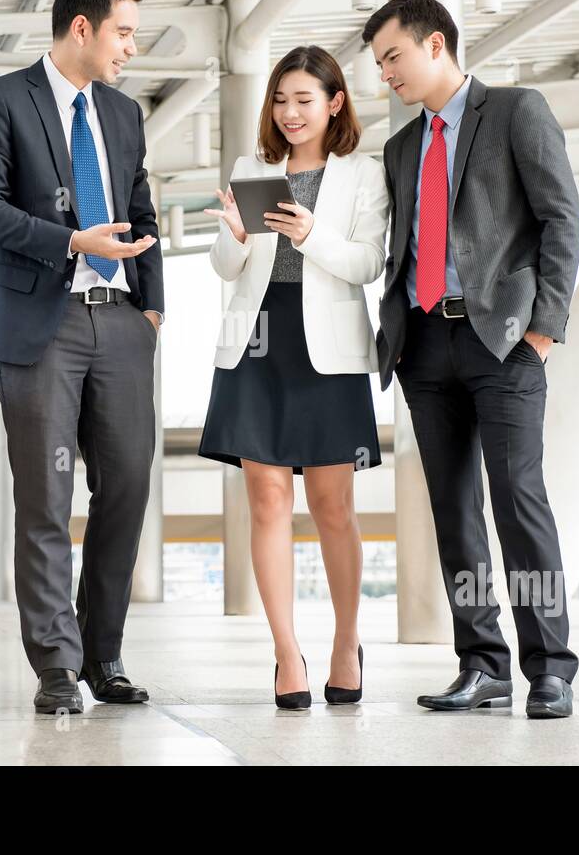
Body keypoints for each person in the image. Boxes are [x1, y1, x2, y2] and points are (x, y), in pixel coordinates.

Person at [363, 0, 579, 719]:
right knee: (455, 513)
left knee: (520, 502)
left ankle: (550, 667)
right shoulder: (400, 148)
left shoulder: (516, 112)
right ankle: (482, 663)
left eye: (392, 56)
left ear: (435, 45)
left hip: (504, 341)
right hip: (425, 345)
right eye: (379, 63)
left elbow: (561, 219)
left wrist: (544, 329)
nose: (386, 73)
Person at [0, 0, 164, 714]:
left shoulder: (123, 113)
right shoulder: (1, 100)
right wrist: (68, 240)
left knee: (125, 487)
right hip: (41, 326)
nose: (131, 47)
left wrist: (150, 312)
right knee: (46, 499)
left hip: (119, 324)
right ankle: (57, 665)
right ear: (82, 28)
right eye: (123, 31)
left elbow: (143, 209)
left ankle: (103, 652)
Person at [199, 46, 389, 709]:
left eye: (304, 99)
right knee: (268, 500)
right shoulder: (254, 167)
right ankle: (286, 652)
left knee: (334, 506)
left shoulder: (364, 173)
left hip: (328, 347)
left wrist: (308, 234)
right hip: (258, 341)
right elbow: (228, 267)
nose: (290, 113)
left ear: (335, 101)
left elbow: (368, 264)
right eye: (281, 99)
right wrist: (235, 236)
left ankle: (345, 642)